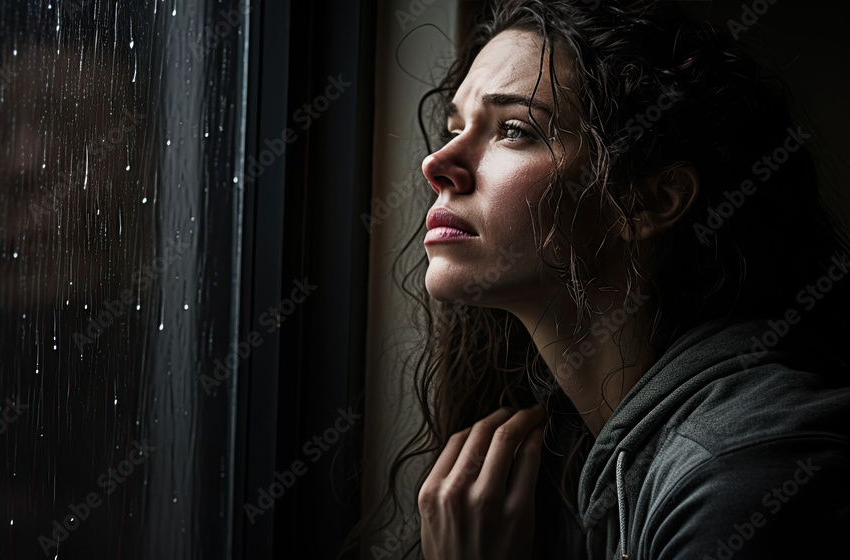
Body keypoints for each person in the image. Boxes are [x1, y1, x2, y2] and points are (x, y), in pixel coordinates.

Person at [345, 0, 850, 558]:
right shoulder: (569, 464)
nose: (437, 164)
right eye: (456, 127)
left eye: (513, 129)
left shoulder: (741, 468)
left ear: (649, 201)